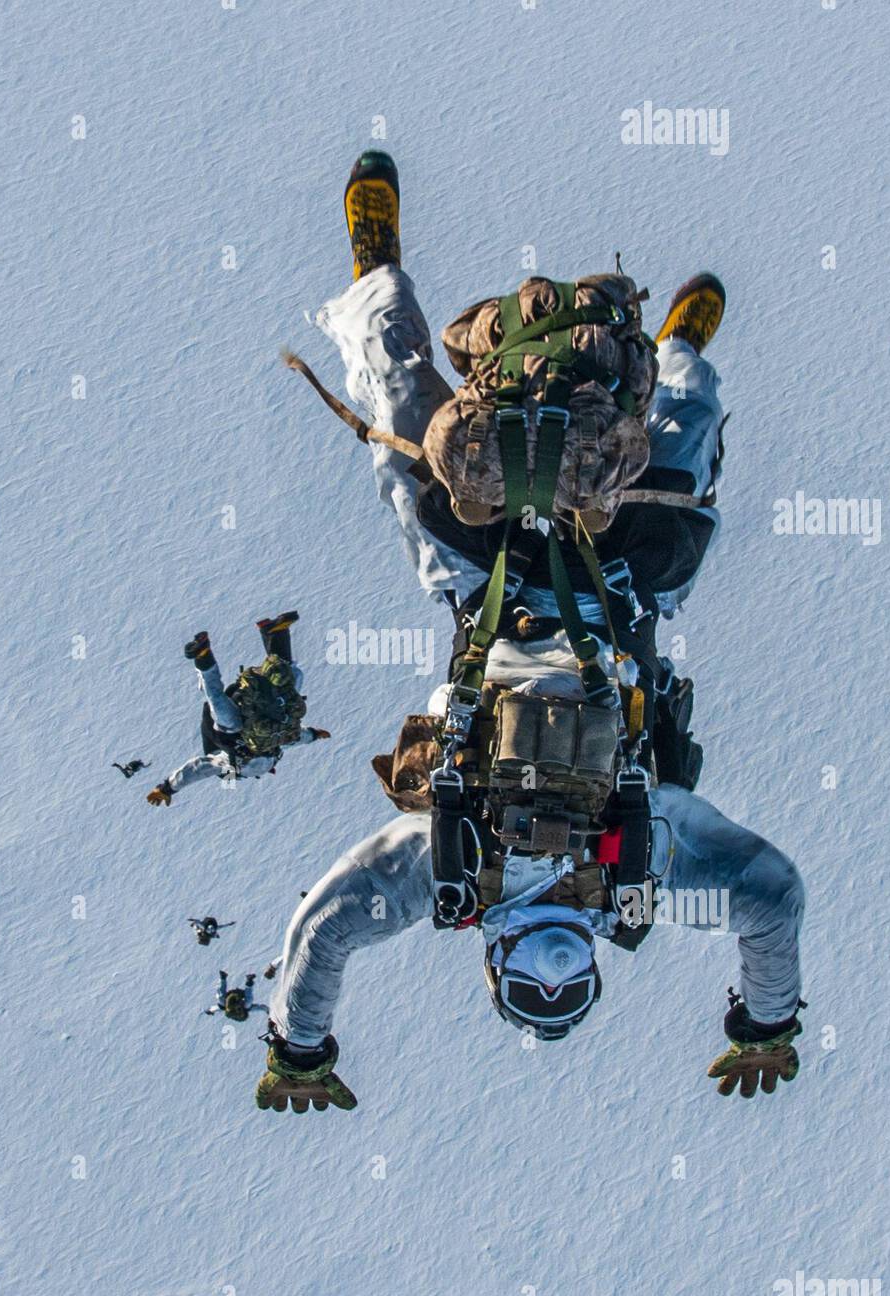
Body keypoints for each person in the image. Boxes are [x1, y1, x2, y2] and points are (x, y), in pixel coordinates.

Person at [254, 152, 804, 1114]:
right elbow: (328, 925)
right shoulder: (458, 866)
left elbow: (772, 896)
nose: (550, 971)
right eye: (565, 989)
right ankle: (378, 276)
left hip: (618, 582)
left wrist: (768, 1020)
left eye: (535, 989)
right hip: (493, 583)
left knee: (675, 456)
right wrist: (298, 1045)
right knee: (407, 431)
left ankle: (670, 354)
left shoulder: (639, 863)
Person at [146, 613, 330, 805]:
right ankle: (276, 633)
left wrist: (167, 787)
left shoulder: (227, 764)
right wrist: (313, 734)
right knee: (287, 688)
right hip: (256, 713)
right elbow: (290, 737)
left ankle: (203, 657)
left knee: (219, 704)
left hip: (226, 733)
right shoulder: (272, 748)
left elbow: (198, 769)